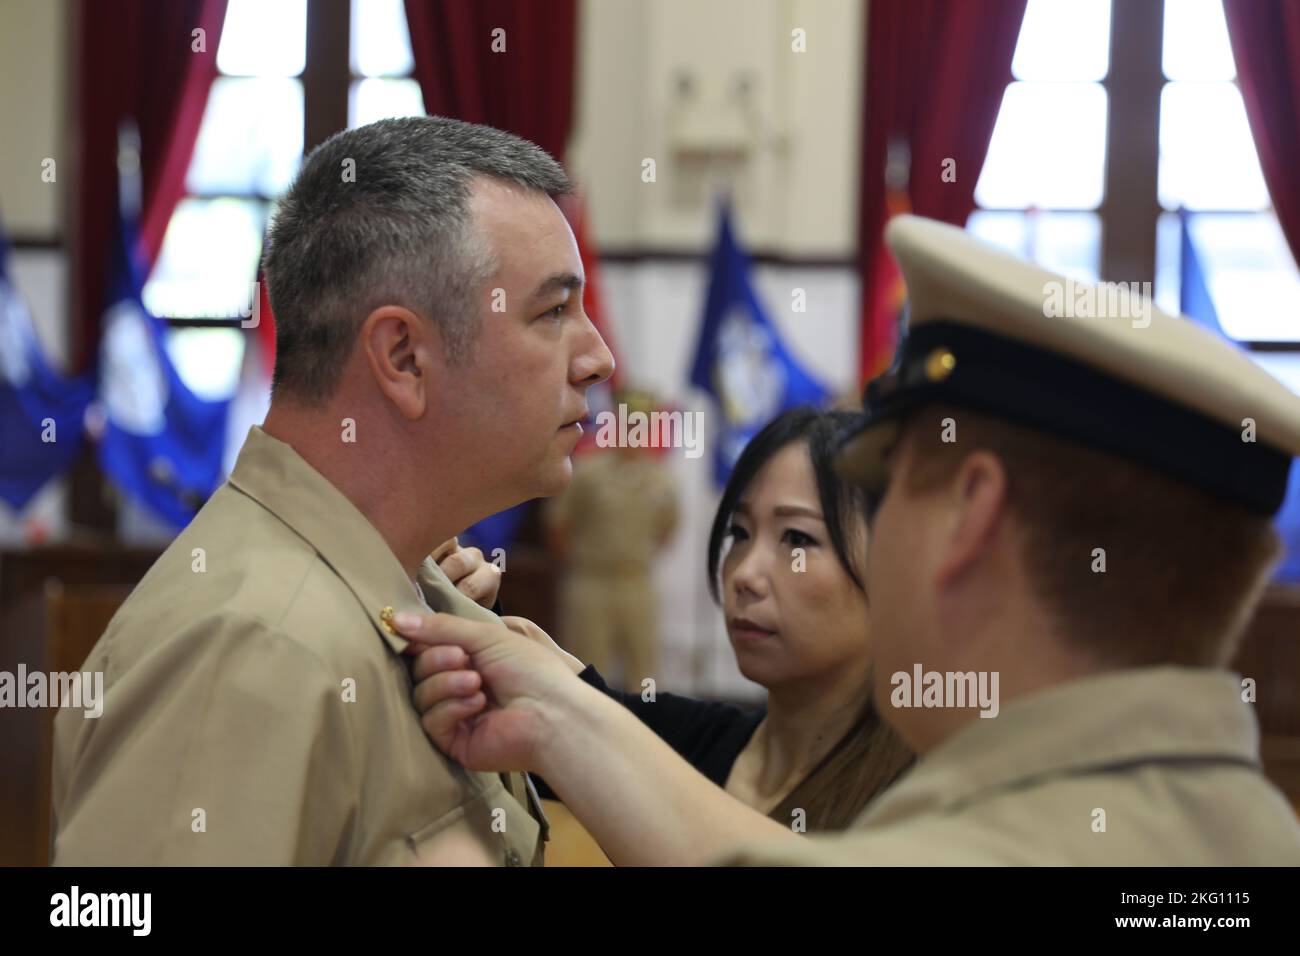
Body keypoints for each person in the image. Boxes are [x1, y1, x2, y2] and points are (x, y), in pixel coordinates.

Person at [399, 214, 1300, 865]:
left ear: (971, 515)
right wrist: (555, 696)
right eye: (741, 534)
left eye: (887, 490)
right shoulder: (1247, 830)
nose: (750, 573)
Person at [50, 116, 615, 866]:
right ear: (403, 357)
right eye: (552, 312)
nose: (598, 359)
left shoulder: (414, 591)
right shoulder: (251, 649)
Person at [515, 406, 913, 831]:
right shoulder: (690, 743)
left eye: (798, 538)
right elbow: (569, 706)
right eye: (738, 533)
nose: (744, 574)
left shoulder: (924, 799)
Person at [544, 390, 679, 691]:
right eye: (629, 423)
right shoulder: (588, 472)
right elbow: (559, 525)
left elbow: (668, 530)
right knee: (588, 673)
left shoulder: (661, 479)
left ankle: (644, 723)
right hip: (592, 583)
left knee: (644, 674)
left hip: (637, 583)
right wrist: (581, 563)